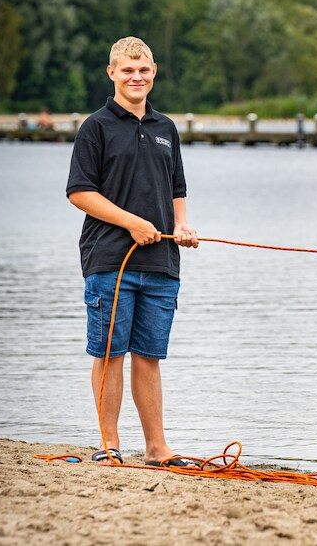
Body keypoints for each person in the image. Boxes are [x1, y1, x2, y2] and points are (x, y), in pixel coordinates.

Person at [66, 36, 199, 466]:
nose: (136, 77)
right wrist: (131, 222)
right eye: (127, 70)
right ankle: (109, 446)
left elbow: (176, 187)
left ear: (154, 72)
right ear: (112, 74)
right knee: (109, 354)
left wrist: (181, 226)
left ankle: (157, 448)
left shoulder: (167, 129)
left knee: (149, 356)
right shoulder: (96, 127)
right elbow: (80, 193)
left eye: (143, 70)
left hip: (162, 262)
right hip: (109, 260)